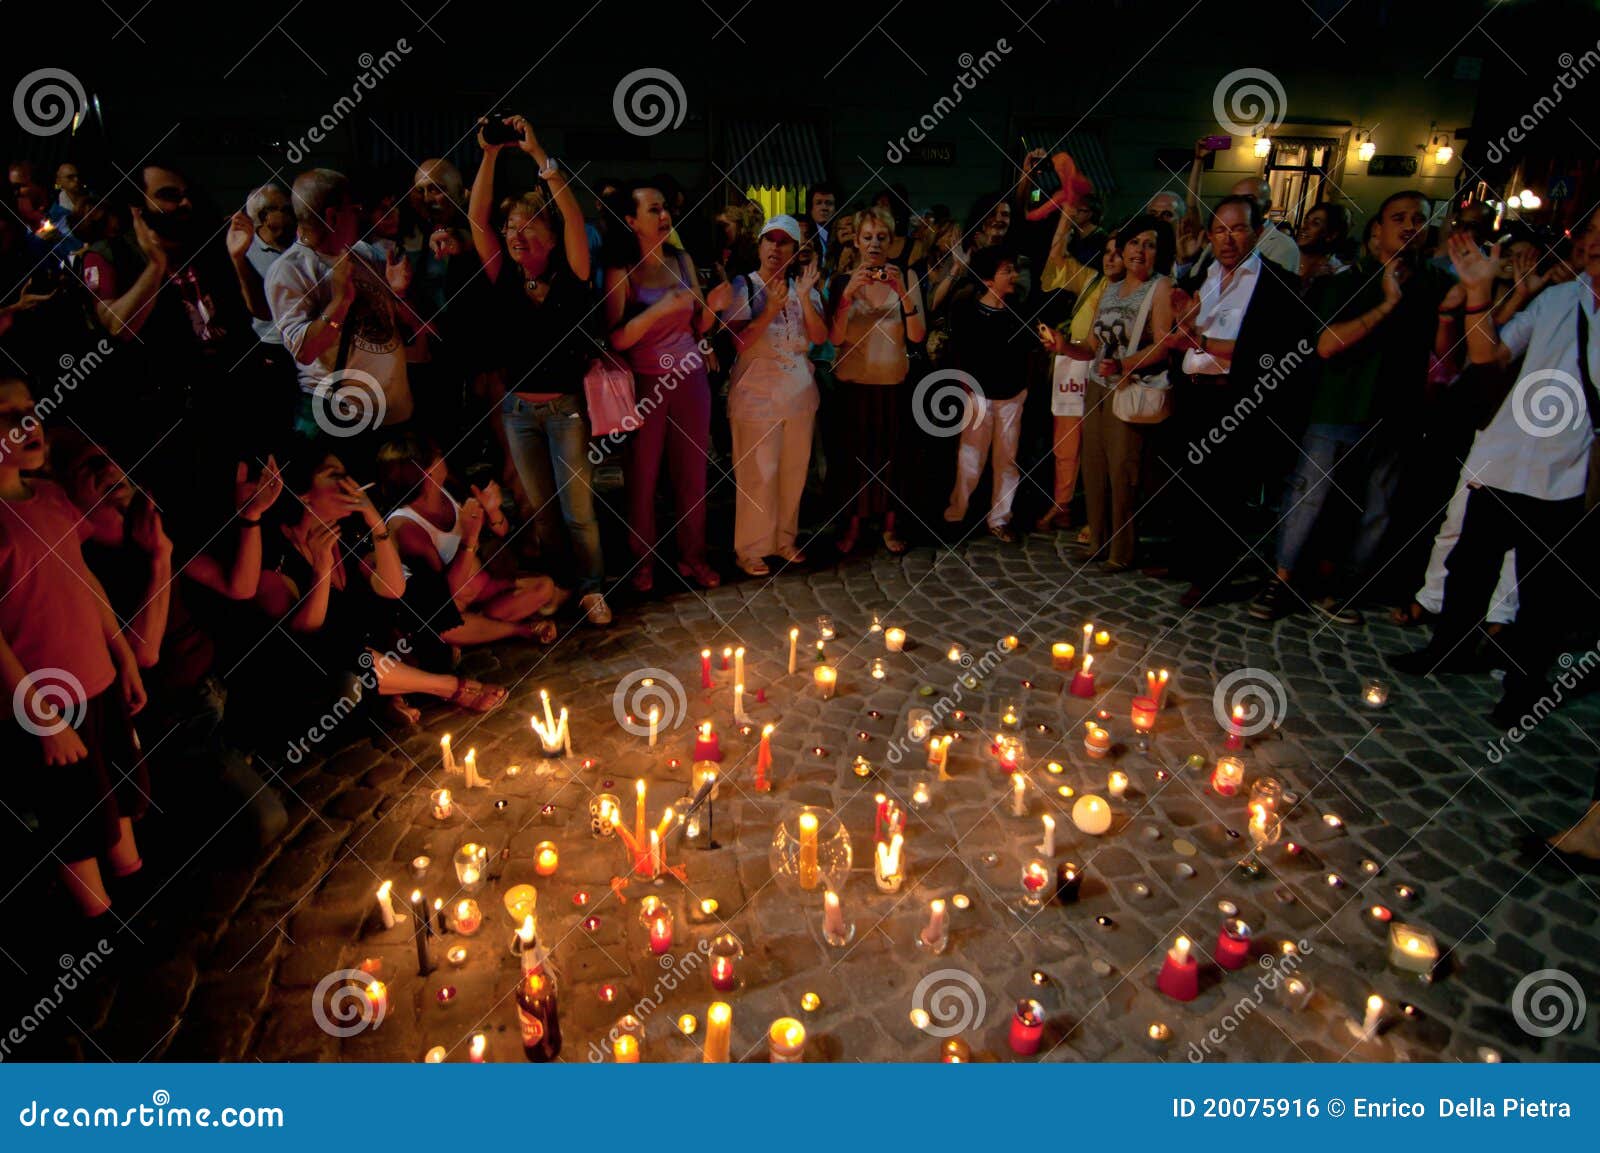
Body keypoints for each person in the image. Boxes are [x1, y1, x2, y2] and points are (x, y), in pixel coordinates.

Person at [1391, 209, 1600, 726]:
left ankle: (1523, 688)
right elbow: (1490, 355)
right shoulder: (1558, 299)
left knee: (1542, 593)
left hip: (1566, 471)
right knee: (1469, 566)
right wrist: (1480, 293)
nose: (1594, 241)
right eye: (1591, 230)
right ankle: (1450, 647)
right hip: (1507, 455)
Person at [1250, 191, 1458, 624]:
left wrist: (1450, 314)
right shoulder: (1349, 280)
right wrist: (1387, 305)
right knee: (1309, 497)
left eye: (1418, 219)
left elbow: (1448, 355)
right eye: (1398, 217)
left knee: (1378, 506)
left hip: (1398, 413)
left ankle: (1344, 587)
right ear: (1377, 229)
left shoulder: (1436, 283)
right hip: (1338, 406)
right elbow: (1327, 344)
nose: (1409, 226)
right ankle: (1282, 579)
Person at [0, 377, 148, 918]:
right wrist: (40, 716)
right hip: (47, 699)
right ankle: (98, 931)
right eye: (5, 415)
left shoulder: (49, 495)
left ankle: (140, 907)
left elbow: (82, 577)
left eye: (29, 408)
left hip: (97, 681)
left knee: (118, 802)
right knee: (76, 823)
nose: (26, 421)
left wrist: (122, 653)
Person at [239, 448, 509, 741]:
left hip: (368, 651)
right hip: (318, 673)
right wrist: (322, 569)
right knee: (341, 652)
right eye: (335, 477)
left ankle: (390, 696)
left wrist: (376, 524)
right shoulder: (275, 553)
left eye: (347, 475)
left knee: (423, 617)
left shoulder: (347, 533)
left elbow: (393, 589)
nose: (349, 485)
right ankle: (447, 687)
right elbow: (305, 633)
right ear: (304, 495)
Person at [468, 113, 612, 626]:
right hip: (518, 413)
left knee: (578, 511)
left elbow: (573, 216)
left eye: (529, 226)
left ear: (551, 237)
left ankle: (593, 588)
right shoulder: (503, 275)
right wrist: (489, 156)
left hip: (565, 410)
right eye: (511, 227)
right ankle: (563, 584)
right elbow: (477, 219)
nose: (516, 234)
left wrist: (536, 154)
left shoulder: (572, 273)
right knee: (543, 510)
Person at [1162, 195, 1313, 607]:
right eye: (1220, 230)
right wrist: (1184, 327)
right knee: (1188, 482)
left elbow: (1277, 352)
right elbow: (1185, 332)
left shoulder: (1278, 285)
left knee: (1222, 492)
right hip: (1193, 392)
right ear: (1210, 236)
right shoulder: (1203, 276)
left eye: (1239, 228)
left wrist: (1204, 341)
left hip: (1235, 399)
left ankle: (1211, 576)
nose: (1228, 239)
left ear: (1258, 232)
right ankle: (1186, 560)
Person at [602, 181, 719, 591]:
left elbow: (700, 322)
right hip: (646, 382)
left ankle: (693, 556)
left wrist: (714, 308)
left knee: (692, 474)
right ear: (631, 221)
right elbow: (616, 338)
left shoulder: (682, 260)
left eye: (665, 207)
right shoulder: (621, 270)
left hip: (690, 377)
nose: (664, 215)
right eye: (653, 209)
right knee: (642, 477)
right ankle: (643, 561)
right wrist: (659, 310)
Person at [1046, 216, 1175, 570]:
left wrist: (1123, 364)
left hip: (1127, 388)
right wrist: (1064, 347)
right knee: (1094, 466)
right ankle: (1097, 541)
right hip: (1097, 387)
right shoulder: (1110, 289)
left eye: (1149, 245)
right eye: (1134, 242)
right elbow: (1092, 346)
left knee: (1122, 471)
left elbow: (1164, 344)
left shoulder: (1160, 287)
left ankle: (1122, 551)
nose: (1140, 251)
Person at [266, 168, 419, 455]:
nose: (360, 217)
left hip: (395, 414)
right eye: (354, 209)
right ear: (332, 216)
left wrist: (398, 293)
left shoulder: (363, 253)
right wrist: (340, 301)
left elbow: (400, 322)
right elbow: (305, 350)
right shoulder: (289, 270)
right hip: (347, 421)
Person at [710, 215, 826, 576]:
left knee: (793, 472)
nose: (776, 247)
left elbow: (820, 337)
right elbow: (739, 342)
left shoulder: (804, 288)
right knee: (758, 474)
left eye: (784, 242)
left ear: (794, 250)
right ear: (759, 245)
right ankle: (751, 547)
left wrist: (803, 298)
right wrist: (772, 309)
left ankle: (783, 539)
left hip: (799, 396)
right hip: (756, 396)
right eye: (770, 240)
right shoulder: (745, 286)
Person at [376, 433, 560, 643]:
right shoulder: (405, 527)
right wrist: (469, 538)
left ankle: (479, 626)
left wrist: (493, 511)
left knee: (544, 587)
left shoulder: (449, 487)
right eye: (437, 457)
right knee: (444, 624)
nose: (443, 459)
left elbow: (501, 531)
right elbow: (445, 594)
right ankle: (517, 629)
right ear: (427, 473)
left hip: (483, 587)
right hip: (449, 606)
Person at [827, 206, 927, 555]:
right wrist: (846, 298)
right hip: (853, 387)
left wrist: (902, 293)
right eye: (867, 237)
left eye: (881, 237)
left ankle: (889, 525)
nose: (874, 244)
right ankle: (852, 525)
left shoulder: (906, 276)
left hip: (892, 385)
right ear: (856, 241)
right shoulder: (841, 281)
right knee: (853, 462)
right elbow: (835, 338)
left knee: (891, 461)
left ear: (892, 241)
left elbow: (917, 336)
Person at [1036, 231, 1123, 532]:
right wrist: (1066, 213)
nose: (1111, 258)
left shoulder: (1133, 291)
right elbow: (1056, 258)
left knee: (1102, 445)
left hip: (1109, 372)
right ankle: (1063, 504)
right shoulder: (1092, 280)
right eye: (1107, 252)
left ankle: (1098, 514)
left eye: (1118, 252)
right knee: (1066, 442)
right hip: (1074, 366)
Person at [943, 247, 1029, 541]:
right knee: (970, 458)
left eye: (1013, 269)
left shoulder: (1018, 309)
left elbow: (1025, 349)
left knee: (1007, 459)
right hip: (978, 396)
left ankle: (1000, 518)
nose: (1014, 275)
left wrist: (1022, 386)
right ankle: (956, 514)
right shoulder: (968, 310)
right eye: (1006, 271)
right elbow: (959, 351)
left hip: (1011, 394)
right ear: (988, 279)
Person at [1296, 202, 1351, 287]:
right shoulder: (1285, 253)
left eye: (1315, 223)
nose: (1305, 227)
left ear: (1331, 235)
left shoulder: (1335, 271)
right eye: (1306, 221)